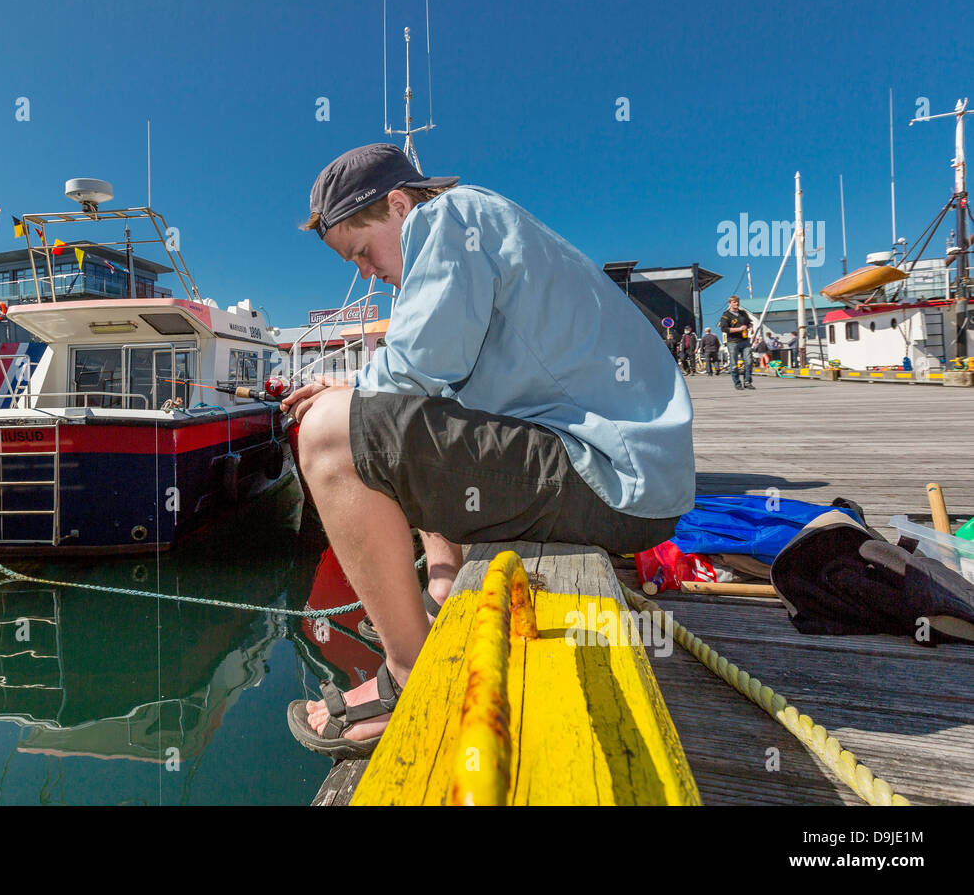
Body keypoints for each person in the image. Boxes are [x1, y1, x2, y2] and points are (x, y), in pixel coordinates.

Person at [281, 143, 695, 758]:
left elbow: (421, 367)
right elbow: (433, 390)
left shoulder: (450, 220)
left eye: (362, 252)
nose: (365, 272)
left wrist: (346, 393)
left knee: (323, 433)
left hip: (613, 476)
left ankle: (410, 676)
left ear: (399, 204)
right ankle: (443, 586)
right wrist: (360, 385)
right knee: (405, 419)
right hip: (628, 472)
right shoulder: (471, 230)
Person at [718, 295, 755, 390]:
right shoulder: (726, 315)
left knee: (749, 361)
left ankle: (747, 381)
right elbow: (724, 329)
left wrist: (750, 327)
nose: (736, 304)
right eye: (734, 302)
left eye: (737, 302)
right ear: (730, 303)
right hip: (733, 342)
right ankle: (737, 383)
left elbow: (749, 323)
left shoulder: (743, 313)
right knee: (734, 364)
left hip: (745, 340)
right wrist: (739, 329)